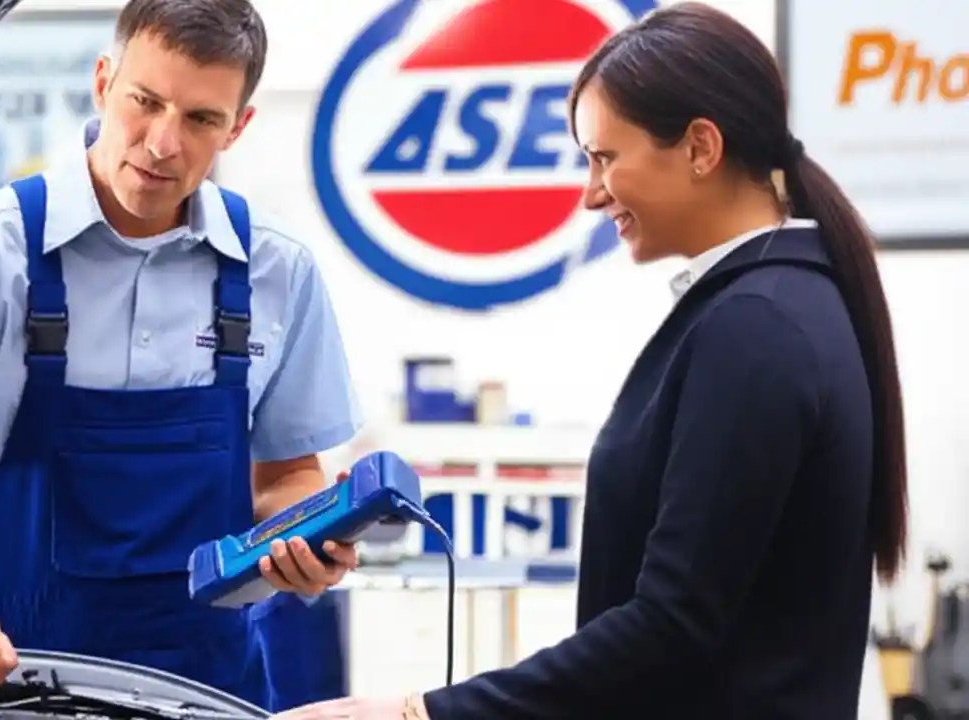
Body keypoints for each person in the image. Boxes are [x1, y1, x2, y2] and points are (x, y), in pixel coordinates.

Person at [272, 3, 908, 718]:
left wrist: (416, 712)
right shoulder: (788, 304)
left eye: (605, 157)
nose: (589, 193)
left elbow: (671, 625)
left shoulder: (755, 325)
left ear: (701, 147)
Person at [0, 0, 363, 709]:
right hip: (6, 681)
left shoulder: (281, 271)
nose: (161, 143)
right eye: (145, 102)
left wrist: (303, 536)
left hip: (205, 689)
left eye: (201, 119)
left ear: (237, 127)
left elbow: (286, 474)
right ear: (102, 83)